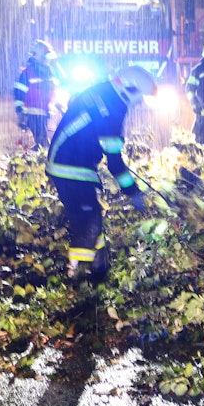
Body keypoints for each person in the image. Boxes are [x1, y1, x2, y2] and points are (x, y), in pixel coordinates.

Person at [46, 65, 155, 279]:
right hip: (71, 167)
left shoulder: (104, 92)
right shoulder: (113, 108)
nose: (139, 103)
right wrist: (134, 192)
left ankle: (99, 267)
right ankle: (79, 277)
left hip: (67, 161)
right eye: (139, 98)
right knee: (89, 219)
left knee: (90, 215)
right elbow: (114, 162)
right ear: (131, 91)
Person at [14, 39, 60, 149]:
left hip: (44, 112)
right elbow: (19, 92)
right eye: (45, 57)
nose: (47, 60)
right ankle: (43, 160)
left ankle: (39, 158)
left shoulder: (49, 72)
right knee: (42, 141)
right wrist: (20, 111)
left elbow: (55, 90)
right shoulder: (28, 73)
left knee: (42, 141)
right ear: (39, 57)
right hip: (32, 114)